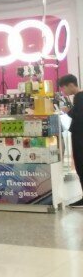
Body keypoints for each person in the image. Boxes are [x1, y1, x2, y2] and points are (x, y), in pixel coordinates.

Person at [58, 74, 83, 207]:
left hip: (80, 137)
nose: (64, 92)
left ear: (71, 85)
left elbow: (79, 115)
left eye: (64, 88)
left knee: (81, 165)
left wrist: (68, 111)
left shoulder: (79, 97)